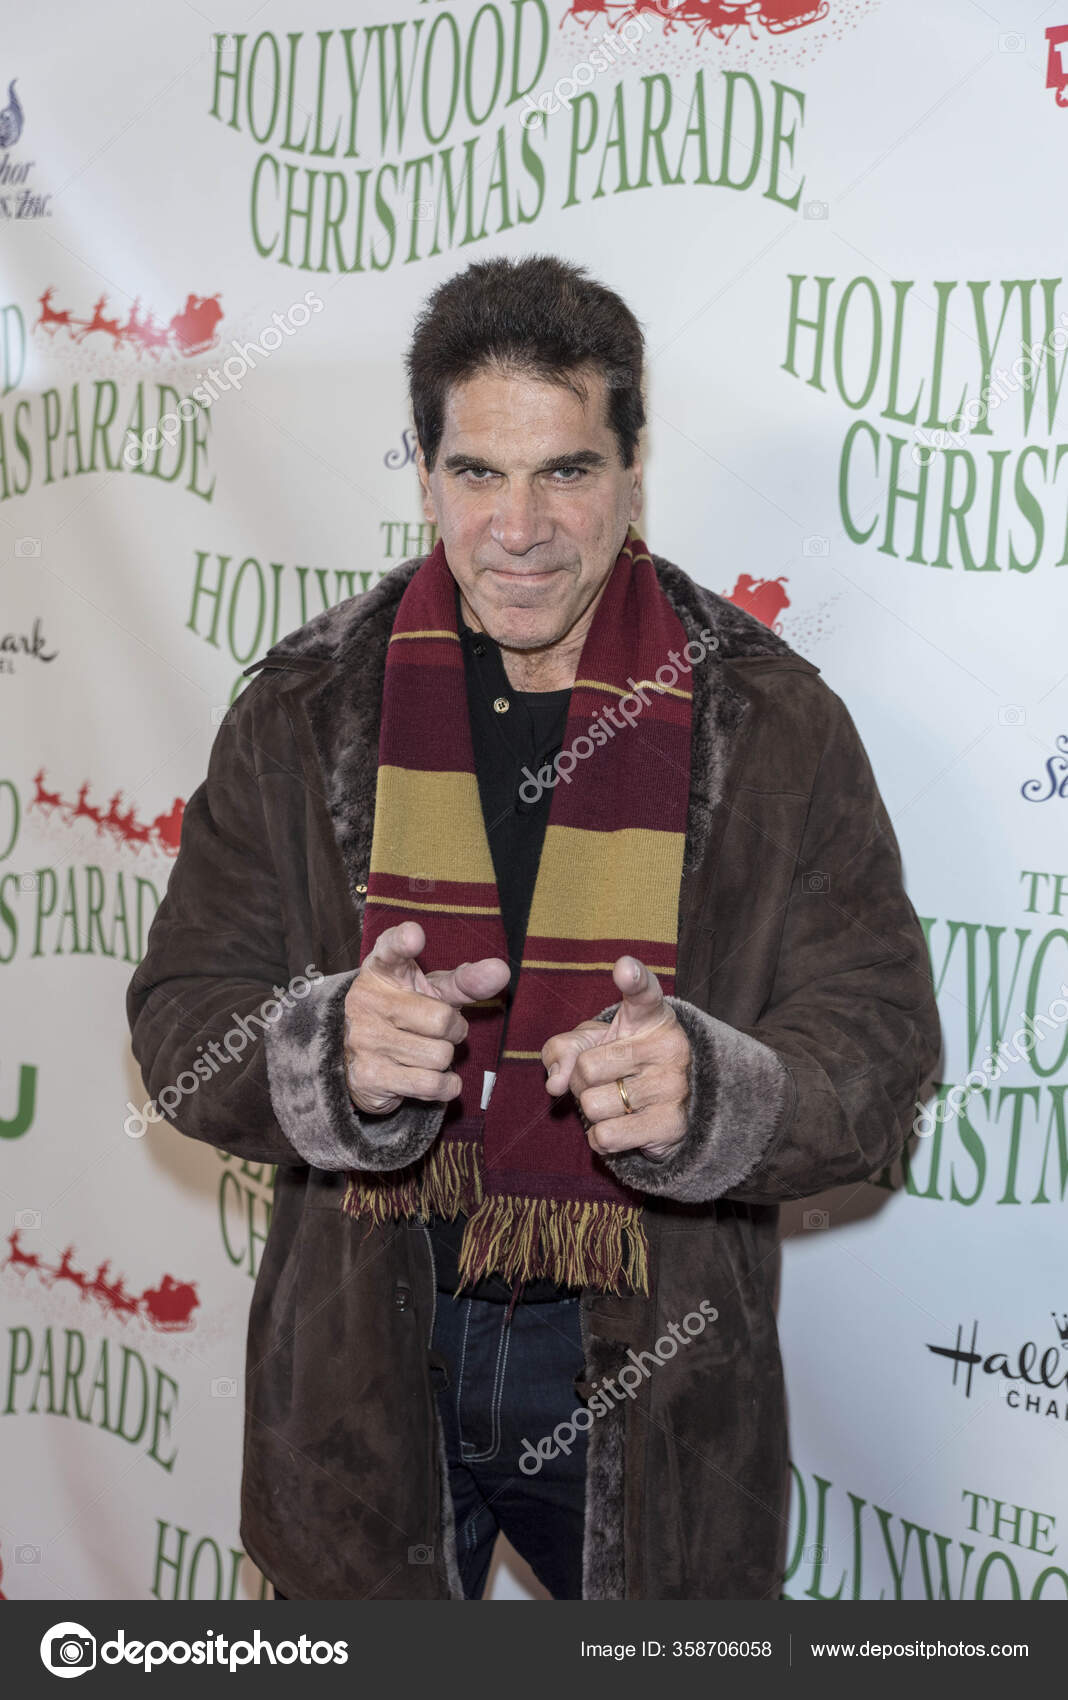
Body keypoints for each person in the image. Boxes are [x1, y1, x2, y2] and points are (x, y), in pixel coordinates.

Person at [126, 253, 941, 1601]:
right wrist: (323, 1053)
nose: (520, 526)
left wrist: (718, 1089)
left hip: (657, 1370)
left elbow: (882, 1043)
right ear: (427, 473)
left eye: (565, 471)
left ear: (630, 471)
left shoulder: (771, 717)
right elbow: (177, 1017)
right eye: (476, 473)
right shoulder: (306, 706)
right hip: (366, 1358)